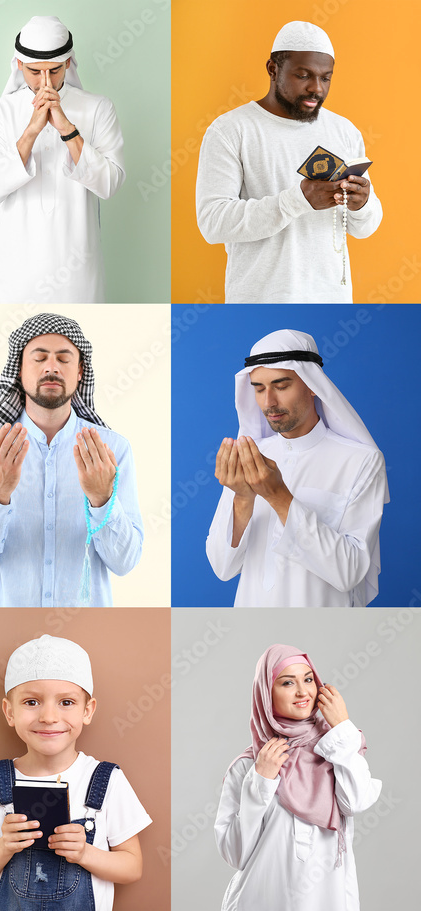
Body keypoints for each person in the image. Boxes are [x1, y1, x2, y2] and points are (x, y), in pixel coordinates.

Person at [0, 313, 143, 607]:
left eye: (64, 359)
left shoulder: (112, 452)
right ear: (19, 370)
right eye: (39, 358)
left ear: (80, 371)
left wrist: (102, 499)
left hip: (85, 633)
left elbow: (125, 563)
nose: (51, 367)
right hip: (3, 634)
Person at [0, 634, 150, 910]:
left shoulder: (107, 781)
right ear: (9, 712)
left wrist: (85, 853)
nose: (49, 717)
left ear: (88, 710)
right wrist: (4, 847)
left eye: (66, 702)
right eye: (32, 702)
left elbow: (132, 867)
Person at [196, 20, 382, 302]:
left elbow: (364, 228)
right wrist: (297, 200)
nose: (316, 88)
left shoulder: (345, 131)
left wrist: (362, 203)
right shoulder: (231, 130)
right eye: (303, 75)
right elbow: (212, 223)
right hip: (259, 300)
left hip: (332, 300)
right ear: (273, 69)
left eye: (325, 77)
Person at [206, 329, 388, 607]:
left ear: (313, 384)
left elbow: (349, 572)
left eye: (281, 386)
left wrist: (279, 496)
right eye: (259, 389)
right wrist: (243, 498)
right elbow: (222, 568)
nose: (269, 402)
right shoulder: (251, 456)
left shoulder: (361, 460)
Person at [215, 644, 380, 910]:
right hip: (260, 900)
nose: (303, 692)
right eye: (287, 682)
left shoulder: (338, 747)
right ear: (266, 694)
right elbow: (235, 854)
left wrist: (342, 728)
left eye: (308, 679)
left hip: (330, 900)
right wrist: (261, 782)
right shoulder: (249, 765)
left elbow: (356, 802)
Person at [0, 16, 125, 303]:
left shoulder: (98, 109)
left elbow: (109, 184)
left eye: (54, 70)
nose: (45, 82)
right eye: (34, 71)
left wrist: (67, 129)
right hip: (14, 276)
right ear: (19, 65)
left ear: (68, 63)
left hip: (79, 275)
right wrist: (32, 130)